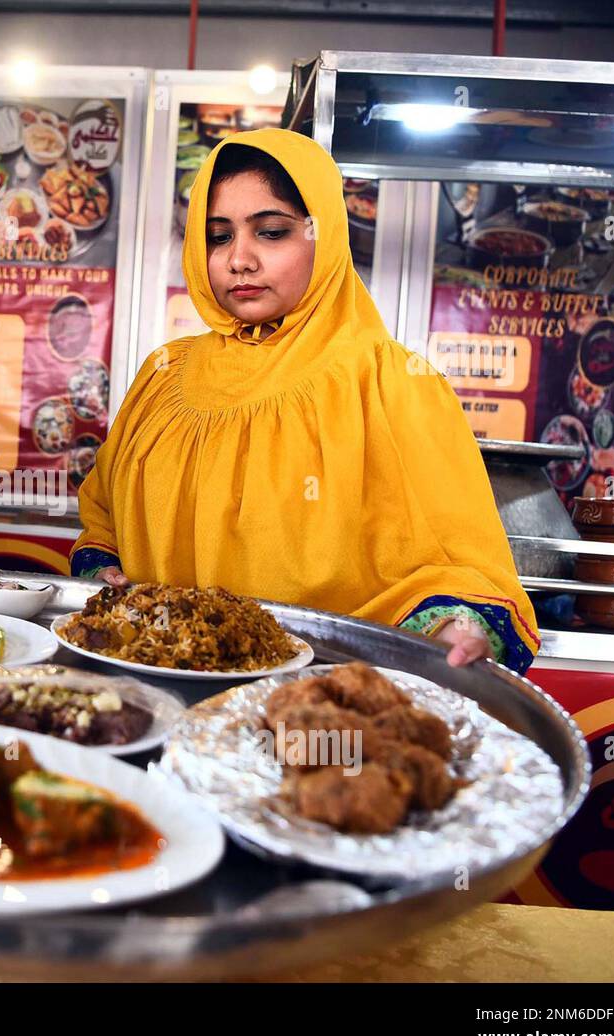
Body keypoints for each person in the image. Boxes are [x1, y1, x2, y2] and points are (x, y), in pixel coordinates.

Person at [71, 128, 537, 672]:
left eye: (271, 232)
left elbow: (457, 555)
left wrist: (456, 626)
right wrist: (101, 569)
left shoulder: (387, 380)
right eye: (218, 237)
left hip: (311, 706)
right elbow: (103, 510)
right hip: (149, 683)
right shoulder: (164, 376)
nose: (238, 260)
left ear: (326, 236)